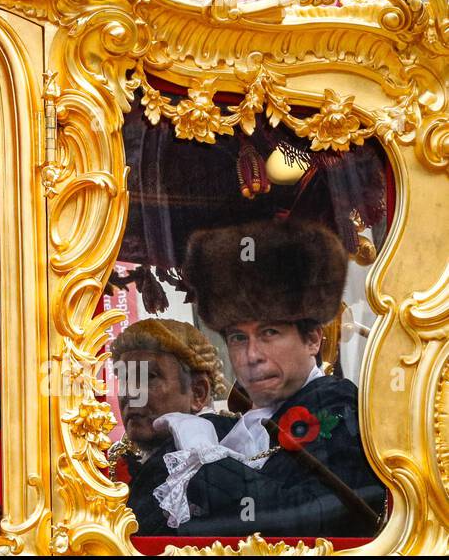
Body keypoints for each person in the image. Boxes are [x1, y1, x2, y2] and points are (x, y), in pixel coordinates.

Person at [161, 218, 386, 537]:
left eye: (269, 332)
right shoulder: (238, 424)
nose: (252, 355)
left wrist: (203, 455)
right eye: (238, 338)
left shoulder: (336, 405)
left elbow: (310, 520)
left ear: (312, 339)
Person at [107, 318, 236, 535]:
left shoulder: (223, 453)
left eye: (149, 377)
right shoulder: (125, 462)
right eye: (125, 379)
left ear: (198, 393)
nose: (130, 393)